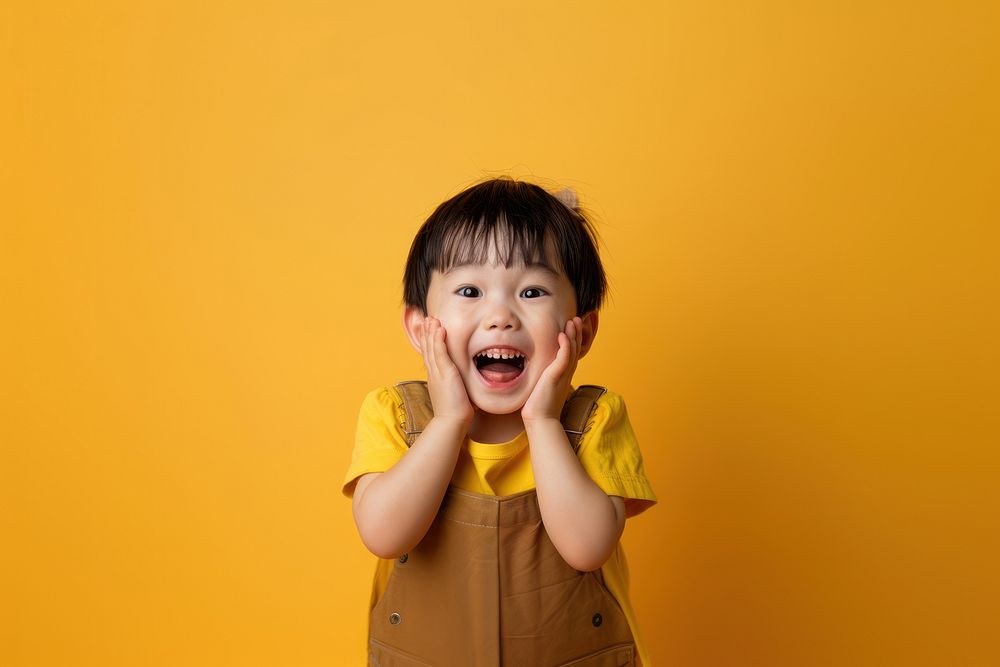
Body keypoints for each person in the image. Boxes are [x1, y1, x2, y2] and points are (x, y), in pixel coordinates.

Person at [342, 177, 657, 666]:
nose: (500, 316)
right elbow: (384, 535)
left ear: (583, 330)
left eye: (532, 291)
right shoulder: (396, 415)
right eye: (470, 290)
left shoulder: (595, 419)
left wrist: (544, 422)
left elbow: (587, 547)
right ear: (420, 327)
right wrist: (449, 421)